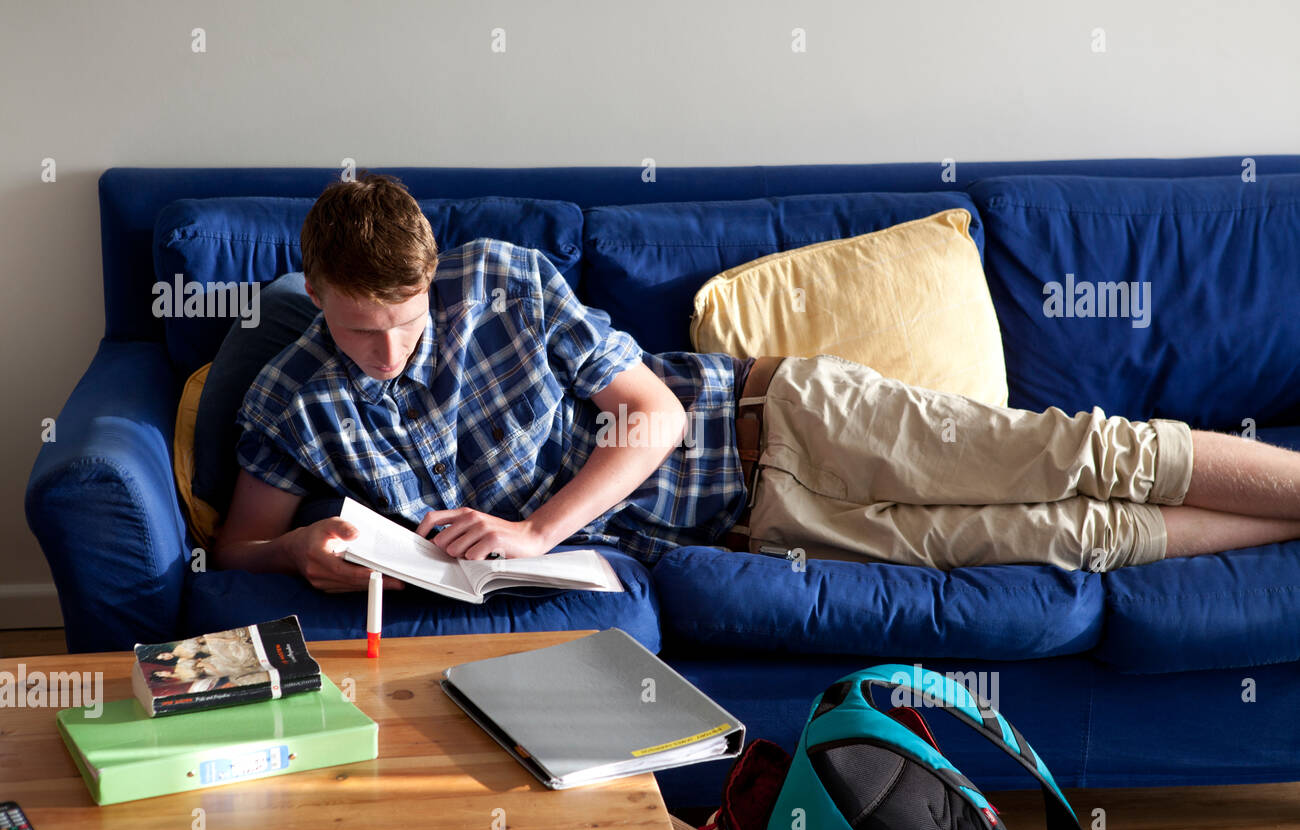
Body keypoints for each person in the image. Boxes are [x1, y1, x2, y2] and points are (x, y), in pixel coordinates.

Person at [212, 173, 1300, 588]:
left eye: (403, 325)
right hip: (758, 528)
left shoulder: (502, 281)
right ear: (312, 291)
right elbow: (233, 549)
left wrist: (536, 532)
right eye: (360, 334)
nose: (390, 354)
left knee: (1080, 455)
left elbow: (652, 414)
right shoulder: (291, 396)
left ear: (432, 274)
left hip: (776, 419)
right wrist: (296, 549)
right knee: (1068, 538)